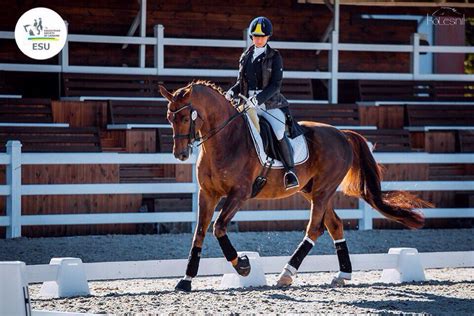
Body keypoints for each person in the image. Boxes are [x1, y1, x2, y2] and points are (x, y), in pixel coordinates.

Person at [225, 16, 300, 190]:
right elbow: (240, 82)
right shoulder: (245, 56)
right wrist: (231, 92)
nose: (259, 39)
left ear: (267, 37)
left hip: (269, 104)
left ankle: (290, 171)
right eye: (256, 36)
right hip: (246, 102)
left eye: (262, 36)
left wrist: (257, 100)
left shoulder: (275, 57)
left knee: (278, 130)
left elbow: (275, 85)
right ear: (251, 37)